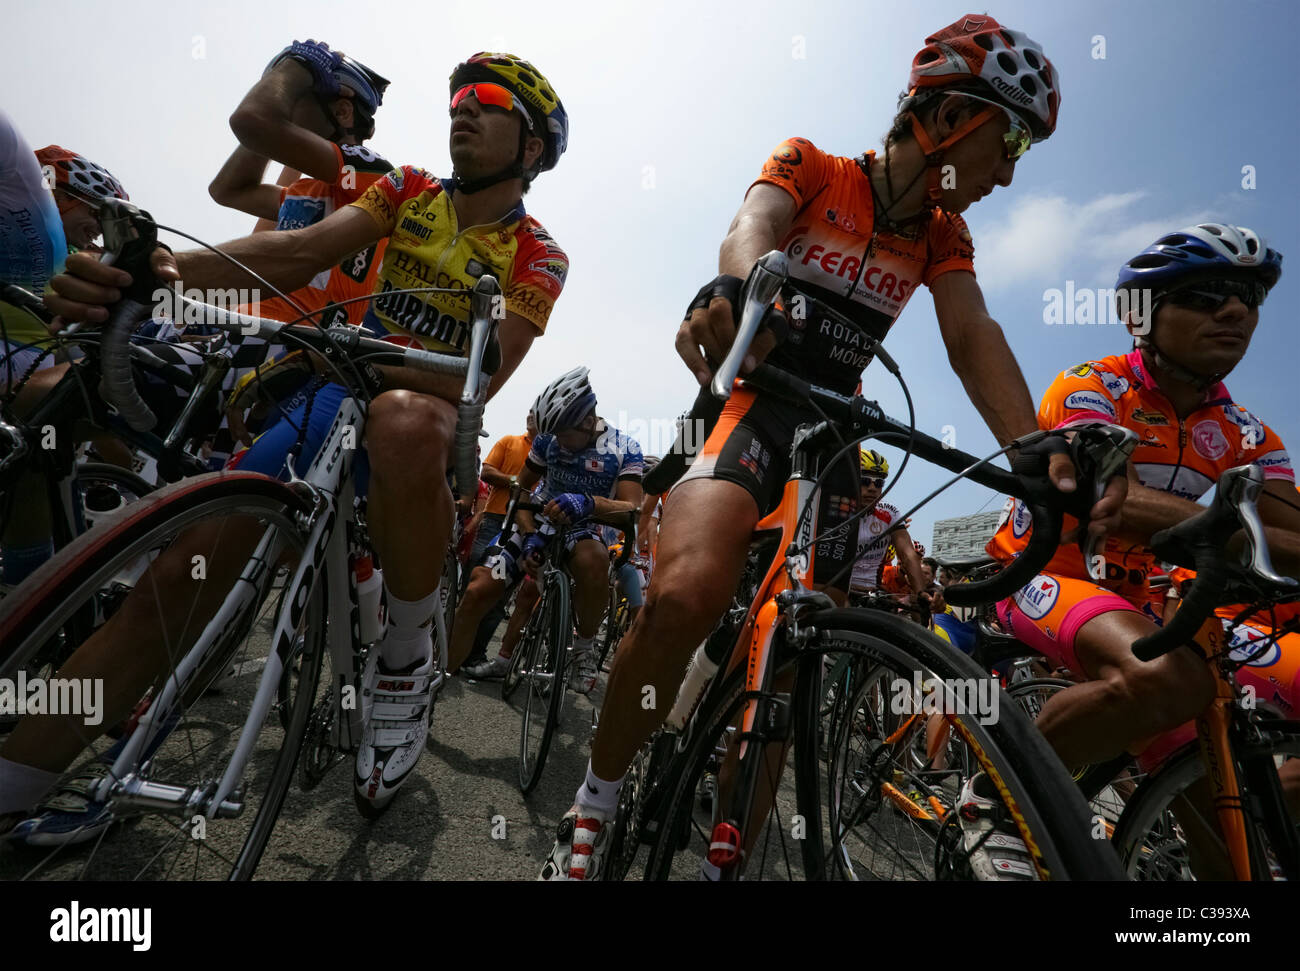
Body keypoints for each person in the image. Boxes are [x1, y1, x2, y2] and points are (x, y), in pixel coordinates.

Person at [542, 14, 1123, 881]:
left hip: (831, 436)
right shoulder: (814, 166)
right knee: (686, 593)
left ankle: (727, 847)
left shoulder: (942, 235)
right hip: (752, 402)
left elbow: (971, 334)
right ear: (952, 116)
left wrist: (1033, 450)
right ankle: (594, 802)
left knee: (795, 652)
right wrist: (740, 289)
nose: (1007, 173)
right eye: (1010, 143)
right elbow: (754, 226)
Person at [4, 51, 570, 836]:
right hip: (329, 389)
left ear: (533, 146)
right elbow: (297, 253)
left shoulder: (539, 254)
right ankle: (15, 780)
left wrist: (381, 363)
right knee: (177, 579)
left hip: (423, 415)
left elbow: (485, 375)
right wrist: (161, 276)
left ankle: (405, 656)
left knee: (405, 415)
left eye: (485, 100)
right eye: (455, 100)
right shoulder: (404, 189)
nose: (460, 110)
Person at [986, 223, 1300, 877]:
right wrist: (1238, 532)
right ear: (1142, 315)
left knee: (1231, 849)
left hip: (1155, 600)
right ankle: (997, 802)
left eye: (1248, 296)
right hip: (1051, 570)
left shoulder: (1248, 432)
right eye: (1209, 293)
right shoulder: (1091, 385)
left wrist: (1252, 537)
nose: (1236, 310)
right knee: (1167, 679)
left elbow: (1289, 533)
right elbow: (1110, 497)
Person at [450, 367, 643, 693]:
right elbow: (521, 490)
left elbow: (631, 510)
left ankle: (583, 648)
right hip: (539, 521)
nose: (558, 443)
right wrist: (527, 534)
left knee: (592, 559)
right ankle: (432, 682)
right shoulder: (547, 441)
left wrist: (590, 503)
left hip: (589, 526)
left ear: (586, 421)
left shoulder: (625, 448)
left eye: (563, 435)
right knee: (476, 592)